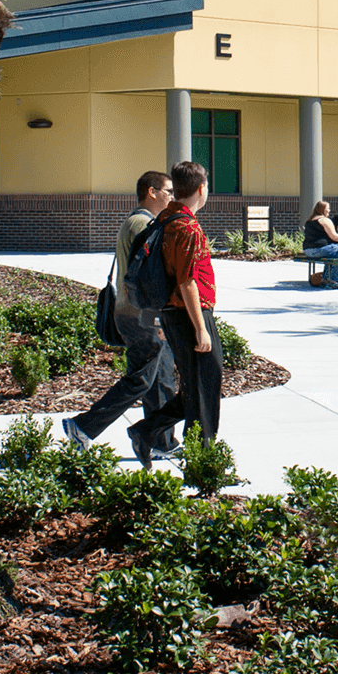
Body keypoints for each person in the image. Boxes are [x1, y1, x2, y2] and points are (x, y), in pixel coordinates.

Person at [63, 170, 179, 457]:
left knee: (161, 376)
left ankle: (161, 442)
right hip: (140, 315)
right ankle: (83, 426)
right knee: (141, 379)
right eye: (169, 191)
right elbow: (148, 276)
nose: (172, 197)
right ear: (152, 192)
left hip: (135, 313)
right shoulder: (144, 224)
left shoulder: (136, 221)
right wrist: (156, 317)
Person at [128, 160, 222, 467]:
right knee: (205, 387)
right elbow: (186, 281)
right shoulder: (187, 227)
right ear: (201, 188)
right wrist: (201, 328)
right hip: (190, 314)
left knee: (197, 388)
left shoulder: (167, 218)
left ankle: (146, 431)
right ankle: (203, 463)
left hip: (171, 312)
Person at [301, 200, 338, 286]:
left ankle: (326, 279)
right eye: (328, 208)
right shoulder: (324, 220)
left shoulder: (309, 220)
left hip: (308, 250)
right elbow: (335, 237)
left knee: (331, 254)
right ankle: (336, 281)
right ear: (322, 209)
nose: (329, 210)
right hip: (320, 249)